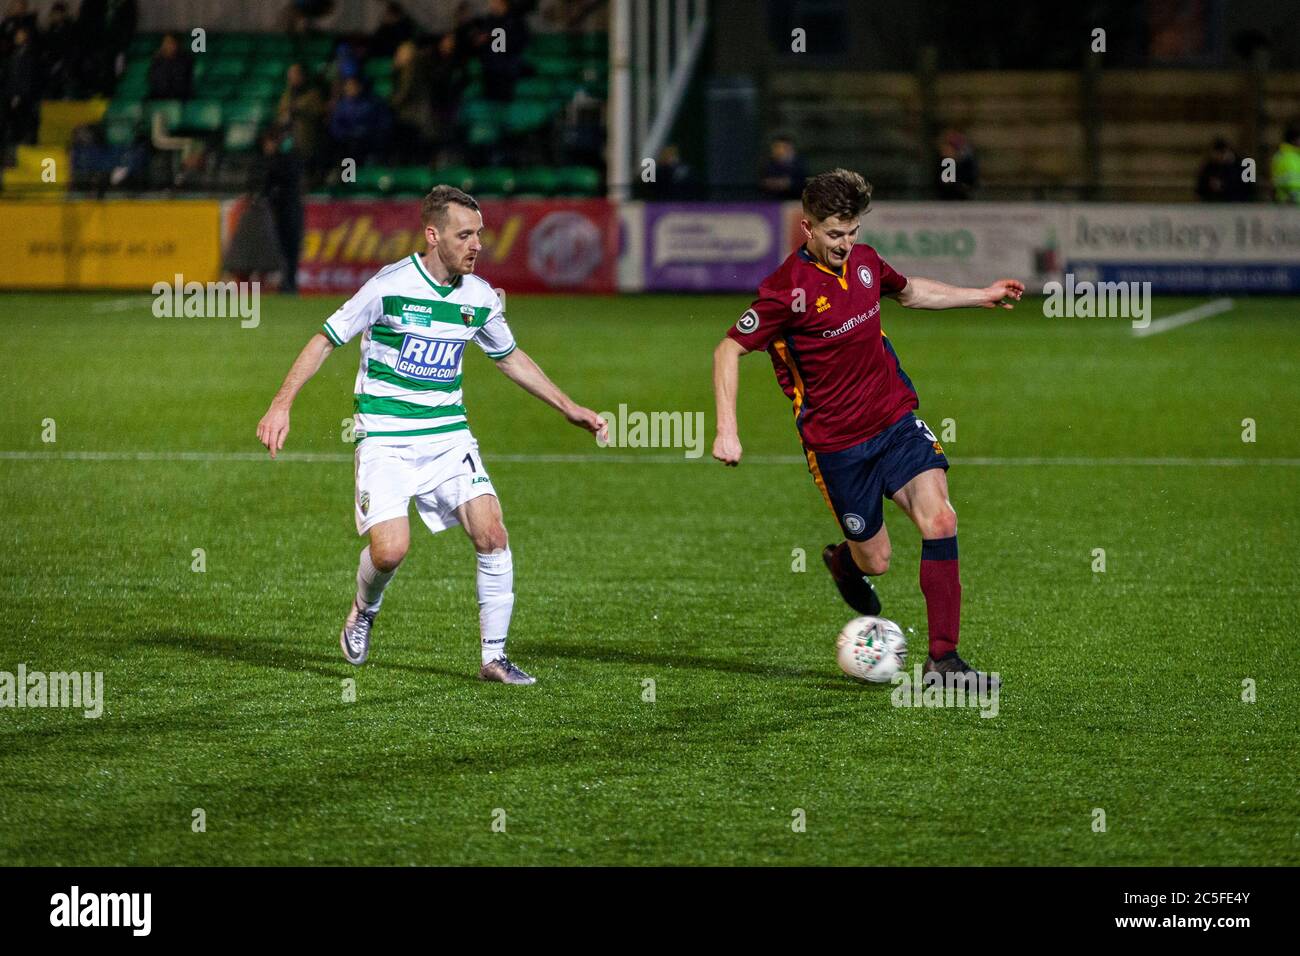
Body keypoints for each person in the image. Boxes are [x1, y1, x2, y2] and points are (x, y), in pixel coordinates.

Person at [256, 185, 607, 684]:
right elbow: (325, 339)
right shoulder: (388, 286)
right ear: (432, 234)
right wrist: (281, 402)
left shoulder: (480, 297)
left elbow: (510, 358)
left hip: (448, 437)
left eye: (480, 234)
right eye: (465, 234)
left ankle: (494, 657)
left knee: (492, 531)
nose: (476, 245)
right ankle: (364, 609)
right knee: (390, 550)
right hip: (386, 438)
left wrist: (569, 407)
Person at [711, 169, 1024, 689]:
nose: (846, 243)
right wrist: (728, 429)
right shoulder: (785, 290)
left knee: (941, 519)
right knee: (876, 561)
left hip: (895, 419)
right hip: (837, 444)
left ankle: (943, 661)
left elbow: (910, 292)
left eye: (852, 231)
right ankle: (844, 561)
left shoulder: (866, 262)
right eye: (835, 234)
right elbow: (728, 349)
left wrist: (979, 294)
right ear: (807, 228)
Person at [328, 75, 391, 163]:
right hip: (349, 144)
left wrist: (370, 133)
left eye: (354, 85)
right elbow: (336, 127)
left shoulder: (375, 103)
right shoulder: (341, 106)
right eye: (348, 85)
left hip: (372, 142)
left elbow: (384, 123)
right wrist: (348, 135)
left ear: (361, 86)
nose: (351, 88)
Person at [1196, 137, 1249, 202]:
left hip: (1237, 204)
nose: (1219, 158)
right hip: (1213, 204)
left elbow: (1247, 189)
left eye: (1220, 155)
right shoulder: (1210, 167)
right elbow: (1200, 189)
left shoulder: (1242, 166)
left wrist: (1224, 186)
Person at [147, 33, 192, 101]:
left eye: (170, 42)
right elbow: (153, 79)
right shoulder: (157, 60)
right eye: (165, 43)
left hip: (178, 96)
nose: (166, 46)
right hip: (158, 95)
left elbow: (181, 82)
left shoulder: (185, 60)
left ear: (177, 44)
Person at [760, 136, 807, 200]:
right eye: (776, 147)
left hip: (795, 201)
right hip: (772, 202)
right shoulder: (768, 165)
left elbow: (802, 183)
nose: (779, 151)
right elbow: (763, 183)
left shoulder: (800, 164)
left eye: (783, 147)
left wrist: (789, 183)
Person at [1271, 122, 1300, 205]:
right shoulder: (1285, 156)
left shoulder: (1295, 155)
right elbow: (1288, 183)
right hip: (1289, 204)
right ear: (1295, 139)